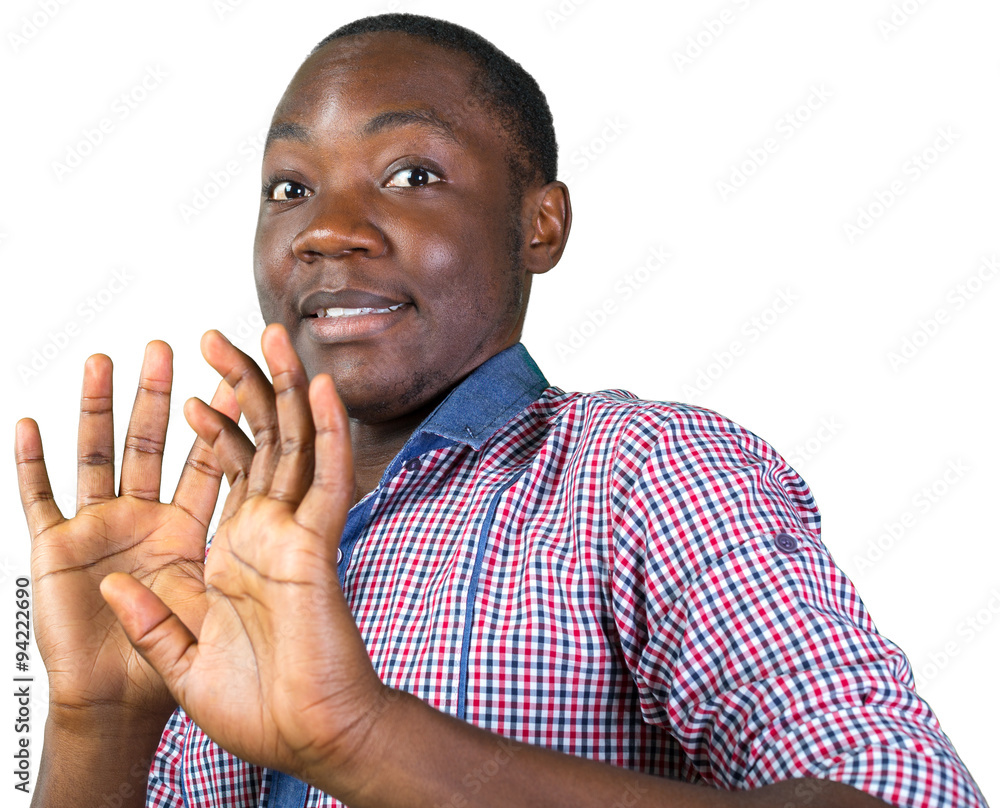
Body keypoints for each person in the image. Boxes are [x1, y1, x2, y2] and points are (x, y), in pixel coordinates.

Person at [15, 13, 986, 808]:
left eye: (411, 174)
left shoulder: (642, 472)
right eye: (289, 187)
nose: (327, 229)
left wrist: (365, 735)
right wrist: (96, 728)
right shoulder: (205, 564)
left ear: (539, 223)